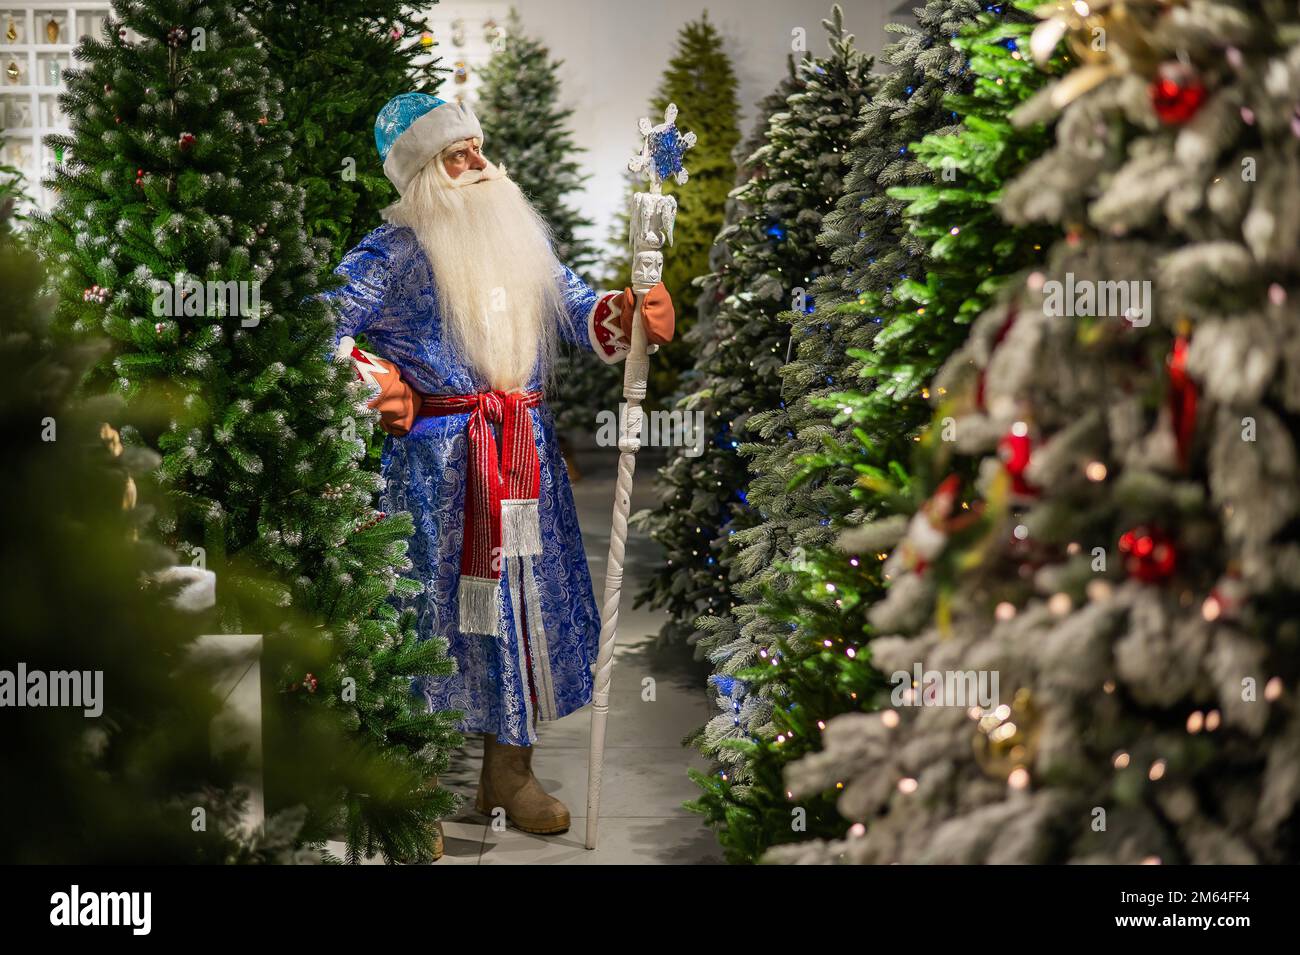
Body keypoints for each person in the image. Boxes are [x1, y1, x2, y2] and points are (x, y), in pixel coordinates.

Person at [324, 93, 674, 850]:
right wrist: (371, 378)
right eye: (459, 155)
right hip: (435, 468)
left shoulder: (516, 236)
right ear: (422, 175)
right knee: (430, 622)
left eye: (478, 148)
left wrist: (627, 312)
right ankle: (405, 784)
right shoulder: (387, 254)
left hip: (521, 457)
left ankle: (508, 772)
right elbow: (315, 324)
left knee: (523, 608)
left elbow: (572, 303)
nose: (481, 165)